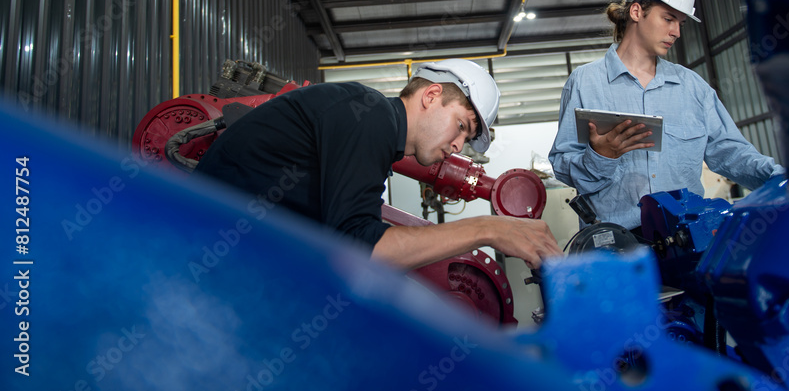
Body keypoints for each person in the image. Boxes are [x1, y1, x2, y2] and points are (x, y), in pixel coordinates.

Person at [197, 58, 561, 269]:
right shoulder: (368, 115)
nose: (457, 146)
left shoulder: (374, 129)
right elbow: (360, 247)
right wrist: (488, 229)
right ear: (432, 96)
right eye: (461, 127)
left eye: (466, 139)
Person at [549, 0, 783, 231]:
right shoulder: (585, 82)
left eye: (680, 23)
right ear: (637, 12)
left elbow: (731, 153)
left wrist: (781, 177)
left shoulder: (693, 87)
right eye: (668, 19)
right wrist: (600, 157)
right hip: (617, 244)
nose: (677, 32)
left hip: (687, 240)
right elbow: (562, 164)